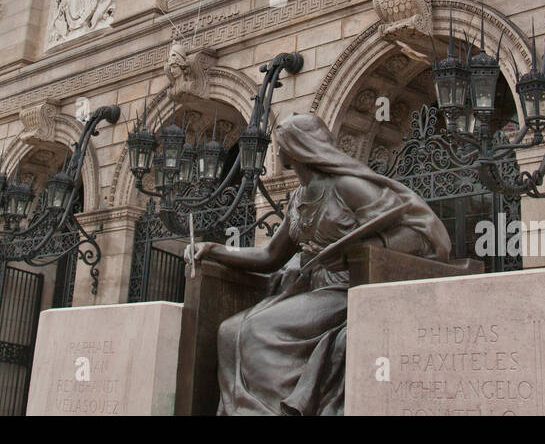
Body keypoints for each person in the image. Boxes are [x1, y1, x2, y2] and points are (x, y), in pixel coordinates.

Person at [189, 113, 450, 415]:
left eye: (281, 139)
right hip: (313, 289)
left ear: (297, 146)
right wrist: (214, 250)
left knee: (258, 329)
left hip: (348, 289)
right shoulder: (298, 197)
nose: (277, 146)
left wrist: (363, 250)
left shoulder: (348, 186)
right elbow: (269, 257)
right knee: (229, 328)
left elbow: (419, 233)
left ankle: (269, 409)